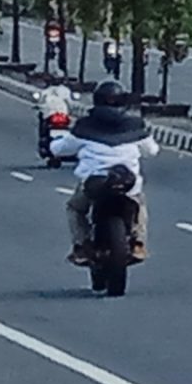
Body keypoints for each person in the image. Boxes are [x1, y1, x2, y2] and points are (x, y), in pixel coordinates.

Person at [51, 81, 153, 264]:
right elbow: (152, 150)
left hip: (94, 183)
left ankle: (81, 246)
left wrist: (56, 139)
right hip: (127, 184)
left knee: (75, 208)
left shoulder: (85, 126)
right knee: (139, 205)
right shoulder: (135, 126)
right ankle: (138, 243)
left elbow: (60, 149)